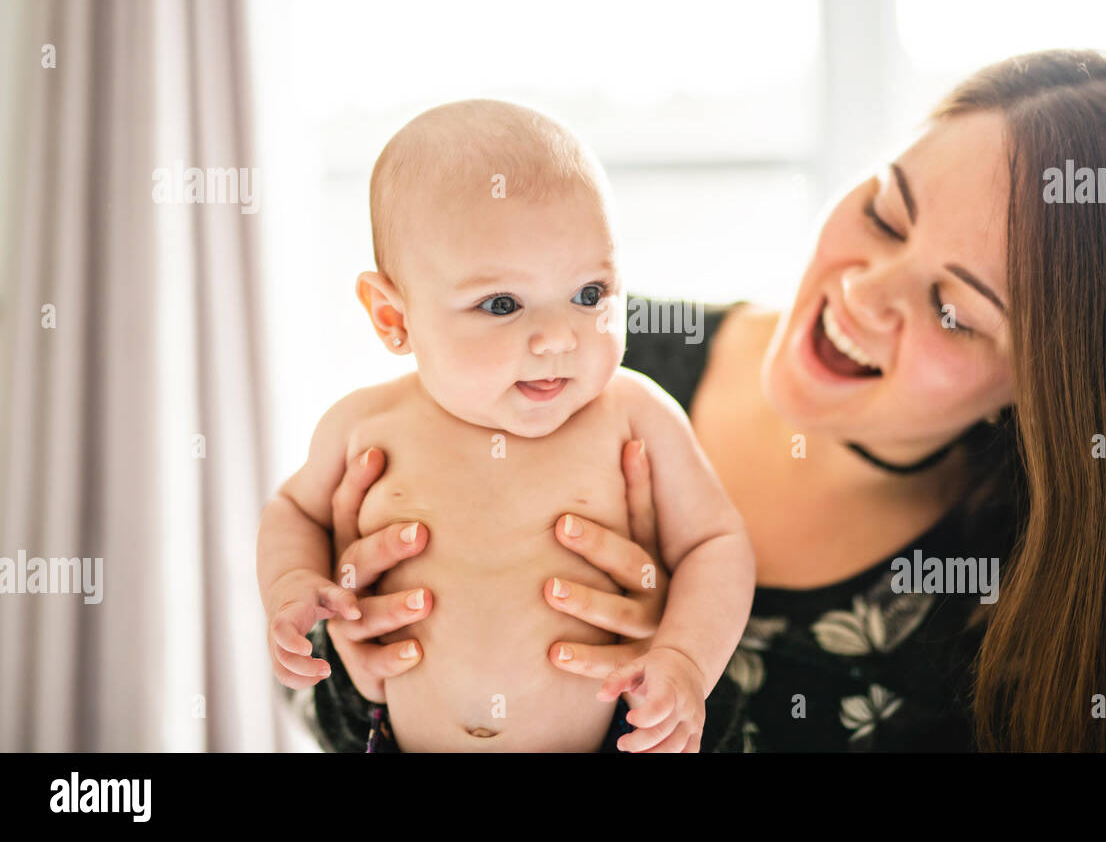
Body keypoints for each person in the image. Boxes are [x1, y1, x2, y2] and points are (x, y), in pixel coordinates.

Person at [303, 50, 1106, 752]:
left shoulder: (1008, 622)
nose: (866, 291)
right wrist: (356, 638)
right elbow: (325, 699)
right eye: (882, 210)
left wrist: (683, 654)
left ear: (1049, 392)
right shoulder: (589, 354)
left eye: (954, 308)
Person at [260, 100, 753, 752]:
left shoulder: (635, 416)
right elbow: (294, 511)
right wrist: (293, 587)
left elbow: (717, 545)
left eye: (589, 293)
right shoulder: (366, 424)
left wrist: (685, 663)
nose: (556, 339)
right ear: (392, 317)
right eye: (501, 304)